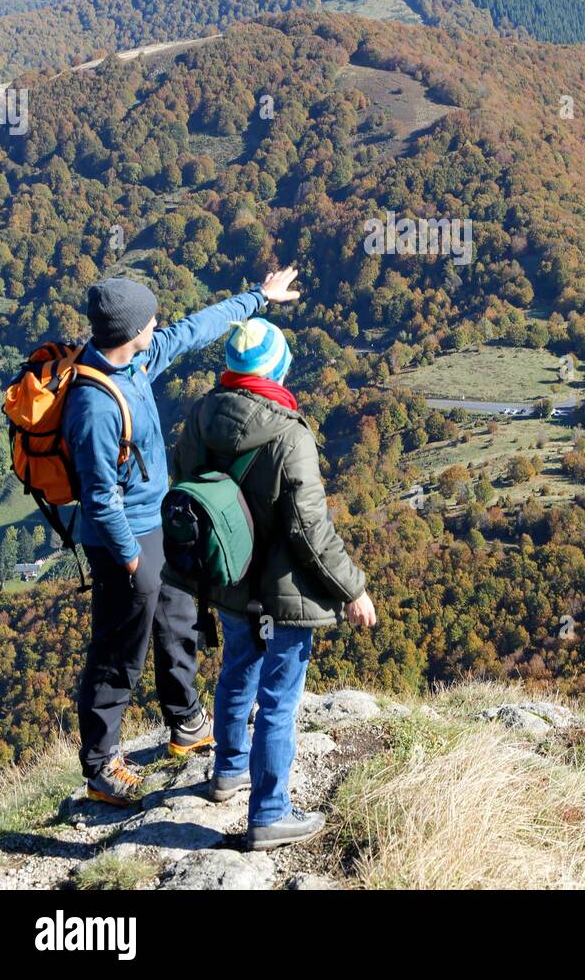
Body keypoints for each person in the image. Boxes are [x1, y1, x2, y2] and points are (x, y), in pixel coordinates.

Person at [63, 267, 300, 806]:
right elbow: (99, 499)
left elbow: (194, 330)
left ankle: (187, 721)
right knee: (120, 645)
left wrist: (257, 297)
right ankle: (100, 766)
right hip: (120, 537)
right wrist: (130, 561)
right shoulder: (94, 405)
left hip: (155, 522)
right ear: (132, 330)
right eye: (151, 318)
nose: (159, 323)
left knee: (178, 616)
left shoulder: (137, 360)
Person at [169, 315, 376, 850]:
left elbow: (188, 491)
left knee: (237, 669)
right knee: (280, 699)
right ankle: (269, 813)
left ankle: (228, 772)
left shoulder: (199, 415)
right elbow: (311, 531)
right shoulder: (289, 435)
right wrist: (352, 589)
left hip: (228, 578)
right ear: (278, 368)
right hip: (282, 594)